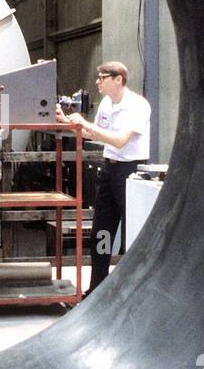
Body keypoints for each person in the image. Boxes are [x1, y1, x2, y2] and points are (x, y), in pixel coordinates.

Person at [56, 61, 150, 295]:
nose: (97, 82)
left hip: (131, 173)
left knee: (131, 233)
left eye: (102, 77)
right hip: (109, 170)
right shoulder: (107, 104)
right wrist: (68, 122)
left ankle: (131, 290)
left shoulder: (137, 105)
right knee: (102, 232)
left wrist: (85, 123)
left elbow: (119, 140)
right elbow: (93, 133)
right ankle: (97, 288)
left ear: (118, 79)